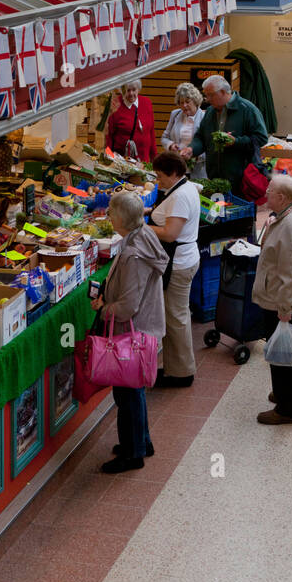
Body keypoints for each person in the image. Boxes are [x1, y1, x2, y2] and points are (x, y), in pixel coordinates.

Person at [90, 190, 166, 473]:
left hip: (132, 334)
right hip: (145, 329)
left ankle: (132, 455)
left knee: (127, 396)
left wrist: (102, 307)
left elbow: (128, 306)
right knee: (134, 392)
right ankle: (141, 442)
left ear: (120, 218)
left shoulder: (134, 255)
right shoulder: (143, 235)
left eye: (110, 211)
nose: (107, 214)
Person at [252, 175, 292, 425]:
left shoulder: (289, 227)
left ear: (282, 197)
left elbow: (289, 272)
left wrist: (284, 308)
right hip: (290, 299)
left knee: (282, 355)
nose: (266, 192)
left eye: (270, 190)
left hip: (281, 301)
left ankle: (287, 408)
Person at [148, 151, 202, 387]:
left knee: (176, 318)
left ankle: (182, 374)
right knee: (174, 316)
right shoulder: (184, 188)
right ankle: (174, 367)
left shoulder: (181, 195)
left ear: (173, 174)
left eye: (160, 177)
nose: (158, 181)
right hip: (184, 260)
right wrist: (148, 214)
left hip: (179, 263)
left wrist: (141, 227)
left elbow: (170, 234)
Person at [184, 75, 268, 197]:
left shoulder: (247, 109)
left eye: (210, 95)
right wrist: (191, 149)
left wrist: (236, 142)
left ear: (223, 92)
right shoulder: (210, 112)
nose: (207, 99)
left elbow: (261, 138)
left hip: (242, 181)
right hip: (215, 179)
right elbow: (201, 137)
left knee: (240, 214)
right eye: (206, 95)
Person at [160, 83, 206, 179]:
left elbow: (208, 145)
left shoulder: (205, 117)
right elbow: (164, 138)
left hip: (198, 169)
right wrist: (171, 145)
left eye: (187, 101)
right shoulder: (175, 114)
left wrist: (195, 154)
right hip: (176, 167)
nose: (184, 105)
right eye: (181, 102)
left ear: (195, 101)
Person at [105, 79, 156, 162]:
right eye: (128, 90)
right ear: (122, 90)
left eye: (134, 90)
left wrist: (154, 157)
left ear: (138, 89)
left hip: (143, 159)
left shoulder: (147, 102)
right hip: (122, 160)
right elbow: (109, 136)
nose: (131, 93)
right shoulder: (115, 105)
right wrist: (109, 157)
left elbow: (151, 132)